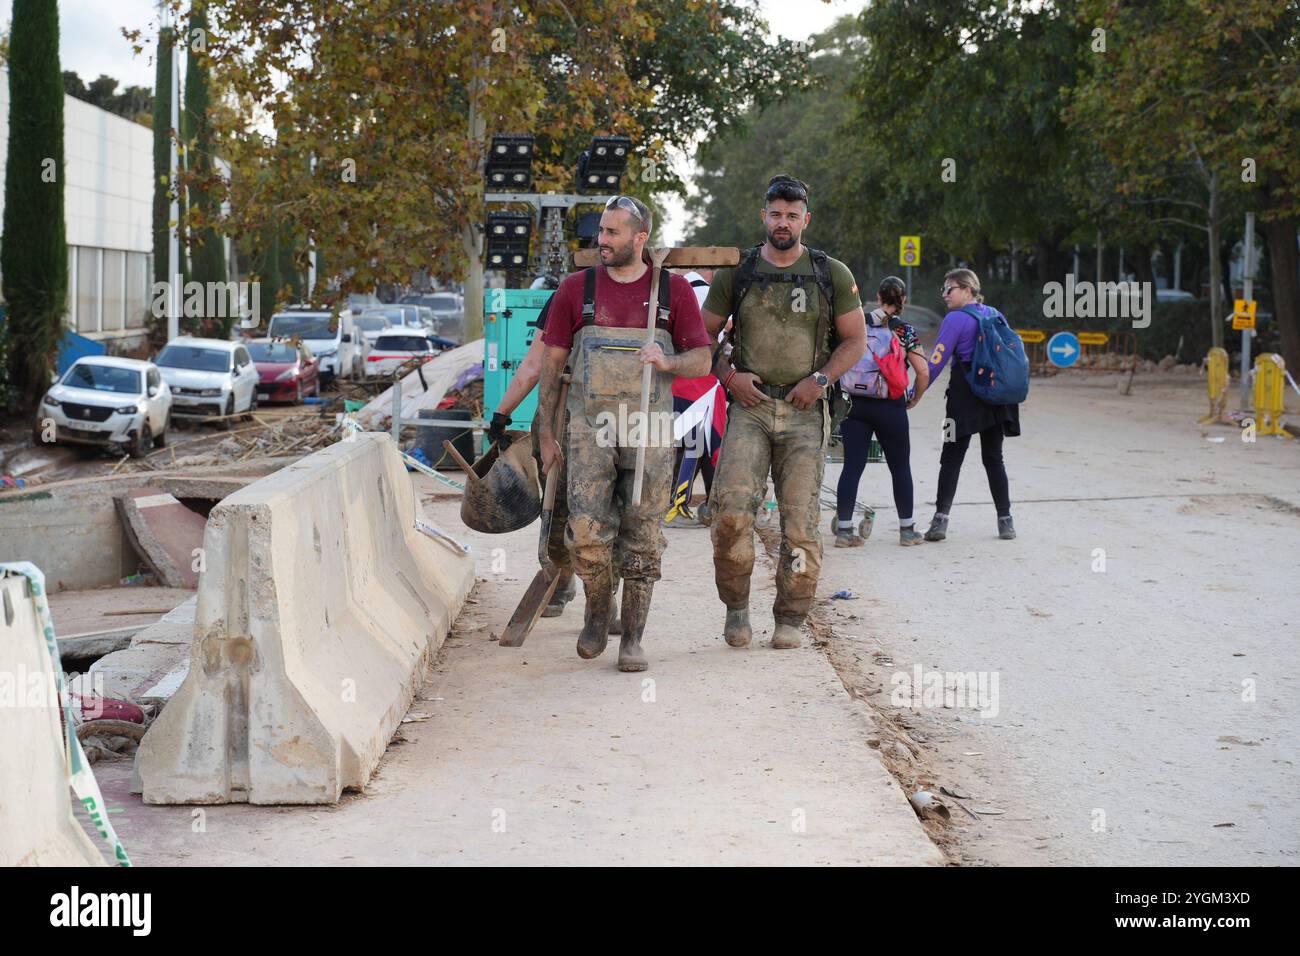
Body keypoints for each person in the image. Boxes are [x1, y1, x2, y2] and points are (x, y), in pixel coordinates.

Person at [536, 195, 713, 671]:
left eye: (613, 233)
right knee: (586, 531)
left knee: (644, 534)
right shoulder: (577, 289)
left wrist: (670, 360)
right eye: (601, 232)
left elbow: (703, 357)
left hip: (649, 427)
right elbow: (551, 364)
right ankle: (597, 612)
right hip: (589, 428)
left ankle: (633, 636)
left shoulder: (670, 292)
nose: (603, 240)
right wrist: (546, 431)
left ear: (640, 237)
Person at [701, 175, 867, 650]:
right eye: (776, 213)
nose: (783, 222)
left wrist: (820, 380)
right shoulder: (739, 272)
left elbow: (855, 340)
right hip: (749, 409)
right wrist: (729, 376)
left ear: (805, 220)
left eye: (792, 215)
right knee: (730, 514)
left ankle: (791, 618)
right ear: (764, 216)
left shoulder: (830, 272)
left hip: (804, 413)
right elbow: (701, 336)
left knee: (800, 525)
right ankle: (736, 609)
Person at [922, 268, 1020, 541]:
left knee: (950, 457)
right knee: (994, 458)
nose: (944, 295)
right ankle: (1006, 521)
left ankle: (940, 521)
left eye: (949, 289)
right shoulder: (996, 314)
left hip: (961, 401)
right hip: (996, 400)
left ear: (967, 290)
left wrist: (914, 392)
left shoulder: (955, 319)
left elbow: (936, 361)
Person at [834, 276, 930, 547]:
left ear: (878, 296)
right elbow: (923, 372)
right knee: (900, 467)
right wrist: (915, 397)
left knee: (852, 465)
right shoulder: (904, 330)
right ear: (904, 301)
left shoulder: (858, 323)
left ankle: (843, 530)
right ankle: (907, 530)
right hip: (891, 406)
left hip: (856, 404)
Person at [668, 267, 725, 524]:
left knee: (688, 448)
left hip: (675, 381)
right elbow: (722, 336)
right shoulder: (706, 293)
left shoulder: (670, 293)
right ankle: (707, 506)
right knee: (703, 447)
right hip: (703, 387)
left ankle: (682, 504)